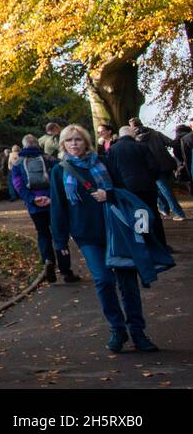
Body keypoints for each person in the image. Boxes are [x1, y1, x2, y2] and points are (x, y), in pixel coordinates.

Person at [49, 124, 156, 353]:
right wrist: (60, 242)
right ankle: (117, 329)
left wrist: (109, 194)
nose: (74, 144)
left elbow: (125, 192)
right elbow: (58, 207)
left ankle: (138, 332)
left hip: (116, 231)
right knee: (103, 281)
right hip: (86, 234)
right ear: (63, 145)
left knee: (128, 283)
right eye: (70, 141)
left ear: (86, 142)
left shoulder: (103, 163)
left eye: (78, 139)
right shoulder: (60, 170)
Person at [10, 134, 78, 283]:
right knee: (59, 234)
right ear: (38, 144)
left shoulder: (18, 163)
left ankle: (48, 260)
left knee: (43, 233)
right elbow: (61, 179)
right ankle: (66, 271)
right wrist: (52, 198)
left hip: (35, 206)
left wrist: (32, 199)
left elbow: (18, 184)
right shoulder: (50, 159)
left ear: (24, 146)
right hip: (54, 203)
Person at [107, 126, 169, 248]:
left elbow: (111, 170)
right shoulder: (142, 147)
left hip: (127, 188)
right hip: (147, 186)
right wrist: (152, 179)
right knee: (153, 213)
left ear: (120, 136)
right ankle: (160, 243)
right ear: (132, 135)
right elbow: (154, 167)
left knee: (136, 214)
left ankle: (143, 243)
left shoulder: (113, 150)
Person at [130, 119, 186, 221]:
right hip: (167, 165)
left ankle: (178, 213)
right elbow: (172, 143)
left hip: (152, 168)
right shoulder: (155, 133)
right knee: (162, 189)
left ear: (132, 127)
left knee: (164, 190)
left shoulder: (135, 139)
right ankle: (164, 209)